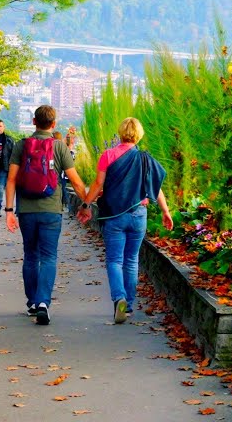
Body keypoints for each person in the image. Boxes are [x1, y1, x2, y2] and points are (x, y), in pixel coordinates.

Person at [80, 117, 173, 324]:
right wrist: (166, 211)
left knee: (114, 260)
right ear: (139, 134)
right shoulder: (145, 158)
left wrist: (86, 205)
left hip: (114, 215)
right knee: (131, 260)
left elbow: (97, 184)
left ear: (120, 132)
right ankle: (128, 306)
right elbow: (156, 188)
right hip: (139, 214)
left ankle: (119, 298)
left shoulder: (108, 155)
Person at [5, 105, 87, 325]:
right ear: (53, 124)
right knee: (49, 257)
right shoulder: (59, 147)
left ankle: (32, 302)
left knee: (30, 255)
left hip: (27, 211)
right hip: (51, 211)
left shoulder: (21, 146)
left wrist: (9, 211)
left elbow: (11, 180)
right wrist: (86, 204)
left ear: (33, 122)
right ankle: (43, 302)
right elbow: (77, 182)